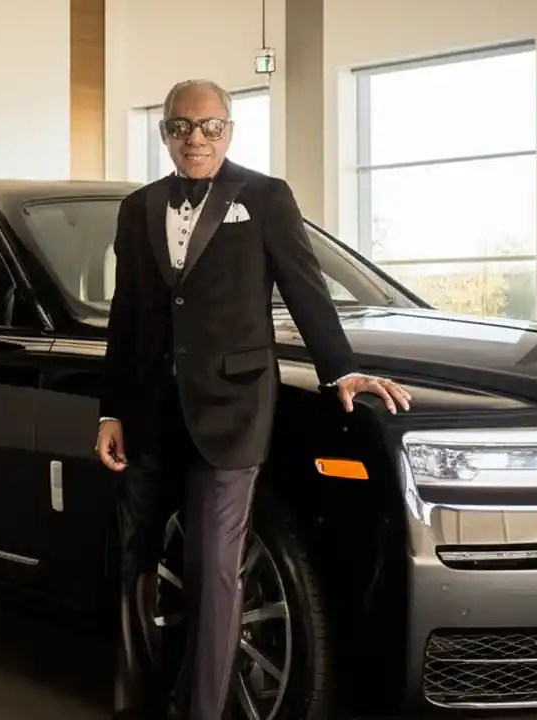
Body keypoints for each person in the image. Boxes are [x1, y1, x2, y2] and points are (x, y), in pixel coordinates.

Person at [95, 78, 411, 720]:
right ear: (165, 133)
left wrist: (341, 371)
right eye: (183, 126)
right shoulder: (138, 208)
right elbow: (127, 315)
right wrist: (112, 409)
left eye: (210, 126)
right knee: (132, 564)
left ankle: (202, 711)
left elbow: (305, 289)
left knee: (214, 569)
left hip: (233, 410)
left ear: (229, 130)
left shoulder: (265, 198)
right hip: (151, 414)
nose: (197, 139)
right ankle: (136, 703)